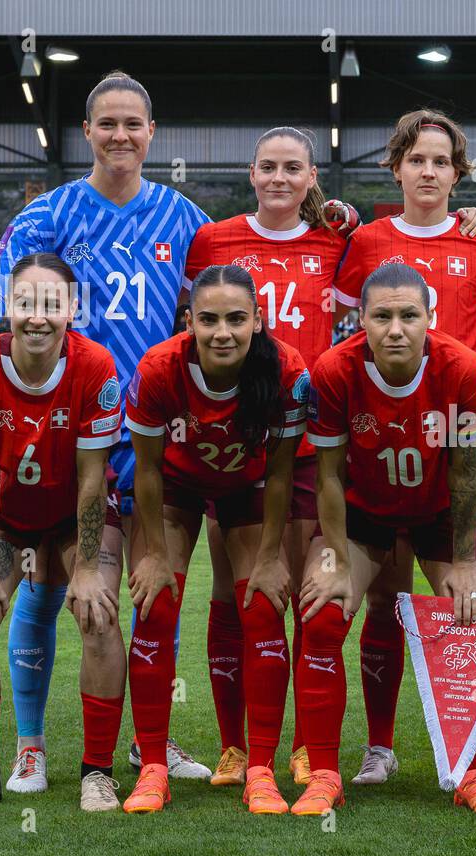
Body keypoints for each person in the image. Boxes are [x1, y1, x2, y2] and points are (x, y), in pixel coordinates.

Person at [183, 125, 476, 789]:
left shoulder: (338, 237)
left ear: (313, 175)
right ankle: (239, 747)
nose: (280, 178)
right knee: (237, 592)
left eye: (294, 167)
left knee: (315, 594)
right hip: (242, 434)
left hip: (329, 432)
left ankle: (310, 748)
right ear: (250, 171)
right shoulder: (213, 241)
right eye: (268, 165)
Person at [0, 70, 218, 786]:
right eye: (107, 123)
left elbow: (228, 297)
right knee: (44, 586)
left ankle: (146, 742)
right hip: (63, 433)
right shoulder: (52, 212)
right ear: (87, 132)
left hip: (148, 438)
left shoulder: (185, 220)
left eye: (134, 124)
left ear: (152, 134)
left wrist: (327, 212)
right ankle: (30, 744)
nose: (121, 135)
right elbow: (1, 279)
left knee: (155, 588)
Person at [331, 109, 476, 789]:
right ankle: (379, 747)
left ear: (458, 173)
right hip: (384, 434)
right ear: (397, 168)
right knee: (382, 598)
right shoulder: (369, 241)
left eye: (441, 162)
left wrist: (468, 375)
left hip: (462, 435)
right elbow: (343, 325)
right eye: (417, 160)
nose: (429, 172)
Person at [297, 262, 476, 816]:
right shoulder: (333, 371)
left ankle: (475, 772)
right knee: (322, 610)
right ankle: (325, 773)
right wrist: (338, 560)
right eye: (382, 316)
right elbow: (330, 476)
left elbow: (466, 472)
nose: (395, 329)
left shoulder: (465, 370)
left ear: (430, 319)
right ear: (360, 318)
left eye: (409, 315)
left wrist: (464, 561)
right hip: (364, 514)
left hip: (442, 511)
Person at [121, 265, 307, 814]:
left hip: (249, 487)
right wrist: (154, 554)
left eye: (235, 318)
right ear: (189, 322)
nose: (222, 332)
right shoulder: (158, 368)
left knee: (263, 605)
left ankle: (260, 770)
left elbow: (279, 475)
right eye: (208, 320)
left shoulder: (287, 371)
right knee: (155, 603)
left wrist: (272, 558)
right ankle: (152, 766)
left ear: (258, 321)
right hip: (175, 487)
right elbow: (147, 471)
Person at [0, 253, 127, 813]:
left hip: (76, 515)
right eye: (26, 303)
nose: (38, 316)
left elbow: (93, 480)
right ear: (7, 306)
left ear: (73, 309)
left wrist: (91, 568)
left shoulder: (95, 367)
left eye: (52, 304)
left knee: (98, 614)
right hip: (8, 518)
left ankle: (97, 773)